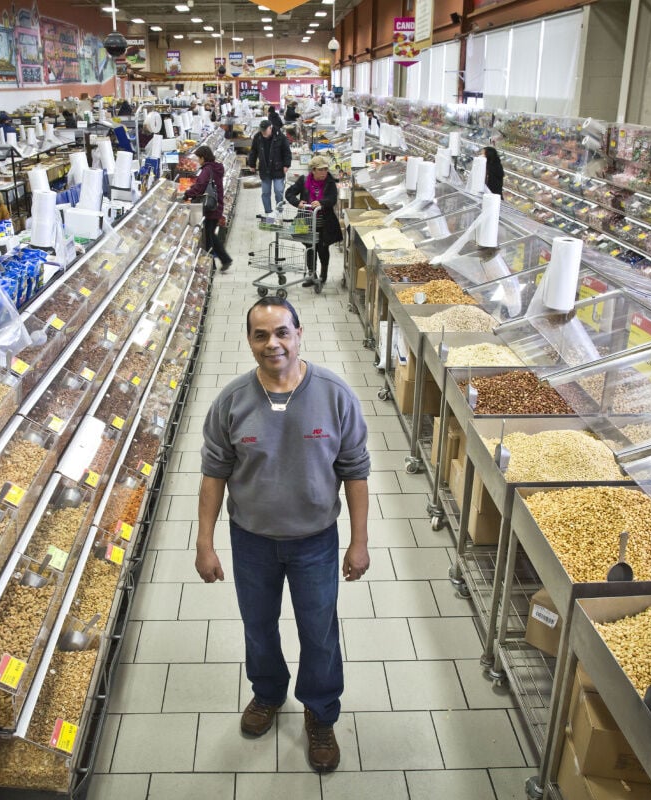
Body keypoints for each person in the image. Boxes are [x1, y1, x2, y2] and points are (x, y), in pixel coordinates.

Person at [196, 295, 370, 774]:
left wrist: (359, 541)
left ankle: (320, 712)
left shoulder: (335, 396)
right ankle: (268, 693)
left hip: (315, 540)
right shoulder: (232, 401)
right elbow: (213, 474)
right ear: (250, 342)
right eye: (260, 335)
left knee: (319, 632)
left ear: (298, 334)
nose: (272, 344)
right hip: (251, 539)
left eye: (281, 333)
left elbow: (356, 471)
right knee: (258, 625)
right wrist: (205, 542)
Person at [284, 156, 343, 288]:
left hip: (324, 222)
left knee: (323, 248)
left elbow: (332, 199)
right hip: (306, 221)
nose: (324, 172)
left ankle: (323, 274)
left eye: (325, 169)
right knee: (310, 248)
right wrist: (297, 202)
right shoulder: (303, 181)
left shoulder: (330, 182)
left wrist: (321, 202)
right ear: (313, 170)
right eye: (321, 170)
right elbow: (289, 193)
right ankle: (312, 275)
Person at [182, 144, 233, 271]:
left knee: (210, 237)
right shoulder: (216, 167)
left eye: (198, 158)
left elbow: (200, 187)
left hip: (211, 207)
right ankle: (219, 262)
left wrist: (187, 194)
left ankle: (217, 263)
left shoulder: (207, 170)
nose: (198, 161)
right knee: (210, 235)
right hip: (217, 204)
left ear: (203, 158)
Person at [246, 120, 291, 219]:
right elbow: (253, 151)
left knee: (278, 190)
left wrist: (286, 165)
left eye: (265, 131)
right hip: (264, 169)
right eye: (262, 131)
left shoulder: (280, 137)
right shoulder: (258, 137)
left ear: (270, 128)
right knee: (265, 192)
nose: (263, 133)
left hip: (278, 168)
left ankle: (279, 212)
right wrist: (252, 164)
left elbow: (287, 152)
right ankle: (269, 213)